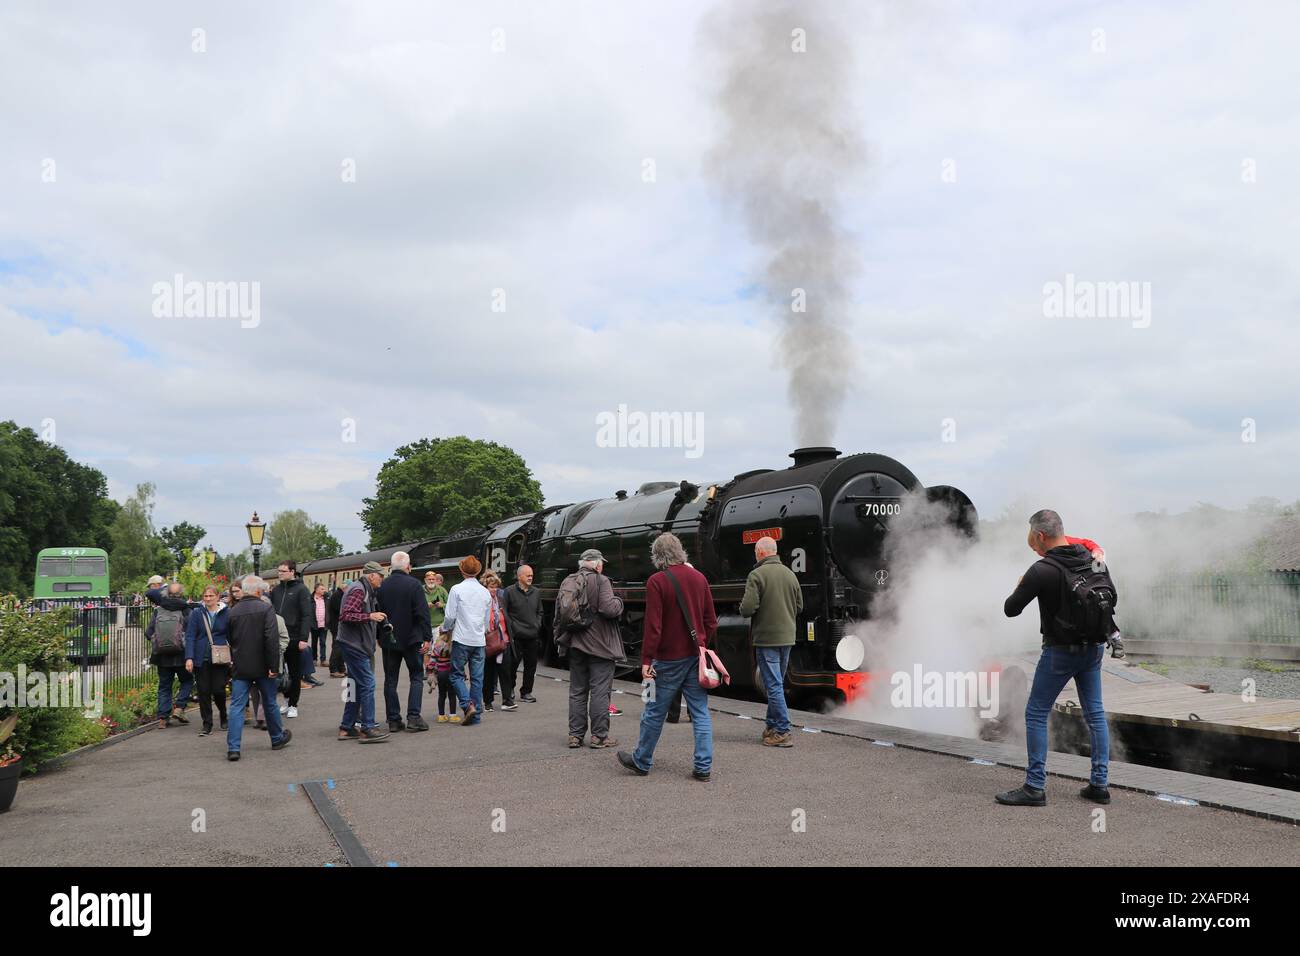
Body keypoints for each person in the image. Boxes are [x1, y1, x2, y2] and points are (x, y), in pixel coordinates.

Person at [996, 509, 1115, 807]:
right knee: (1095, 714)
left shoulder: (1041, 570)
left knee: (1036, 712)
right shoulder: (1094, 561)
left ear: (1039, 536)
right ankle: (1099, 785)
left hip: (1060, 652)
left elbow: (1011, 609)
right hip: (1093, 649)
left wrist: (1022, 583)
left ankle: (1035, 787)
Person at [617, 533, 716, 780]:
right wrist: (702, 644)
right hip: (695, 657)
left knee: (654, 711)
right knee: (700, 712)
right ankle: (703, 767)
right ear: (680, 551)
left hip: (667, 660)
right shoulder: (699, 578)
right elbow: (711, 621)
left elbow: (653, 627)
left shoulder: (657, 581)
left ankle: (641, 761)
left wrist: (647, 660)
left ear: (657, 556)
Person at [738, 535, 803, 748]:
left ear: (761, 552)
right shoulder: (790, 574)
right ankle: (772, 726)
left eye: (756, 551)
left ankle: (783, 731)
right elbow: (800, 606)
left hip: (767, 639)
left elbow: (747, 609)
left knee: (772, 685)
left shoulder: (757, 575)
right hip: (787, 638)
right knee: (776, 683)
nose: (755, 555)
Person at [224, 576, 292, 760]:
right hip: (263, 666)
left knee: (237, 706)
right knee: (269, 702)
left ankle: (234, 748)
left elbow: (229, 637)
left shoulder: (233, 611)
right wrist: (272, 665)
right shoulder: (266, 608)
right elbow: (271, 639)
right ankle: (277, 738)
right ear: (257, 591)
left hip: (241, 666)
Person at [564, 549, 625, 749]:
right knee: (600, 691)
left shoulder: (569, 580)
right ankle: (599, 736)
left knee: (577, 691)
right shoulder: (601, 581)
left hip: (576, 643)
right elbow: (609, 608)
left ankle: (575, 736)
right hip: (600, 645)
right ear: (597, 564)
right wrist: (619, 601)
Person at [376, 551, 433, 732]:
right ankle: (413, 717)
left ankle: (393, 720)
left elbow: (378, 613)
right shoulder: (414, 585)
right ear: (408, 566)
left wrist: (379, 636)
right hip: (412, 639)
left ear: (392, 566)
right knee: (416, 677)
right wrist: (427, 637)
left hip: (389, 639)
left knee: (390, 680)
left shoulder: (382, 586)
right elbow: (422, 613)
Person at [336, 562, 391, 742]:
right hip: (355, 645)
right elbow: (346, 615)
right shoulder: (360, 589)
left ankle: (346, 727)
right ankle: (367, 727)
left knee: (355, 684)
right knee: (367, 684)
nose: (382, 579)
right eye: (380, 576)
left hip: (352, 644)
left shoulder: (362, 589)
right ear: (371, 576)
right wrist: (370, 616)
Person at [442, 556, 491, 726]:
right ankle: (475, 716)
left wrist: (445, 629)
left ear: (462, 570)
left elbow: (449, 616)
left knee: (456, 675)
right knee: (477, 678)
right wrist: (481, 631)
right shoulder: (485, 592)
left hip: (462, 639)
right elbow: (486, 621)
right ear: (478, 571)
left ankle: (467, 705)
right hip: (479, 641)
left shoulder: (456, 589)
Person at [145, 578, 194, 729]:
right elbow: (192, 633)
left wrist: (159, 642)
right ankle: (179, 707)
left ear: (165, 593)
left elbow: (148, 633)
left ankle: (162, 718)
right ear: (181, 594)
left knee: (164, 686)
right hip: (182, 655)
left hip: (162, 657)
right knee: (187, 681)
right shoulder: (186, 610)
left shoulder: (159, 610)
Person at [184, 585, 231, 736]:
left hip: (220, 657)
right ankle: (207, 723)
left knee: (218, 689)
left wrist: (234, 656)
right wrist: (189, 657)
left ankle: (223, 714)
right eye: (206, 596)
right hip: (201, 657)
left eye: (211, 596)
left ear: (218, 597)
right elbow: (190, 636)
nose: (208, 599)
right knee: (203, 691)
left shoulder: (226, 613)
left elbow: (232, 635)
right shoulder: (197, 613)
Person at [270, 560, 313, 719]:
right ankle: (286, 700)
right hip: (278, 637)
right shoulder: (276, 590)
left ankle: (294, 704)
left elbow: (307, 615)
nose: (279, 573)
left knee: (295, 673)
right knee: (280, 672)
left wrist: (303, 638)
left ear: (292, 571)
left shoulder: (301, 590)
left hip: (294, 637)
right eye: (279, 571)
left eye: (283, 571)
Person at [500, 565, 542, 702]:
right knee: (512, 664)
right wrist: (512, 627)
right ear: (519, 577)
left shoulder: (536, 592)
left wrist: (537, 624)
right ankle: (510, 689)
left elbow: (540, 611)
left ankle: (526, 692)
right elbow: (504, 611)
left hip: (532, 635)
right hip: (516, 636)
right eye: (527, 575)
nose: (530, 577)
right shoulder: (509, 591)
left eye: (531, 575)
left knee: (531, 665)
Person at [480, 573, 517, 712]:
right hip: (488, 643)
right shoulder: (482, 602)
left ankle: (507, 700)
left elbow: (506, 618)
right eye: (491, 587)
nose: (494, 590)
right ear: (485, 588)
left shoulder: (501, 600)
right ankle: (487, 701)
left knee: (505, 671)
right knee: (489, 673)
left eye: (496, 587)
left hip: (503, 641)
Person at [429, 631, 459, 723]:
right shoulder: (453, 645)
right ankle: (453, 715)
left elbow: (433, 660)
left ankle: (441, 715)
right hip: (450, 672)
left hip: (441, 673)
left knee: (442, 694)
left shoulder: (438, 645)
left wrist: (430, 670)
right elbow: (457, 660)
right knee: (452, 694)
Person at [327, 581, 346, 677]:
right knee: (337, 647)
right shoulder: (337, 596)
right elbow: (341, 610)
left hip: (339, 625)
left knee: (341, 647)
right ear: (345, 588)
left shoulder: (340, 595)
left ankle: (341, 668)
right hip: (336, 626)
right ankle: (333, 669)